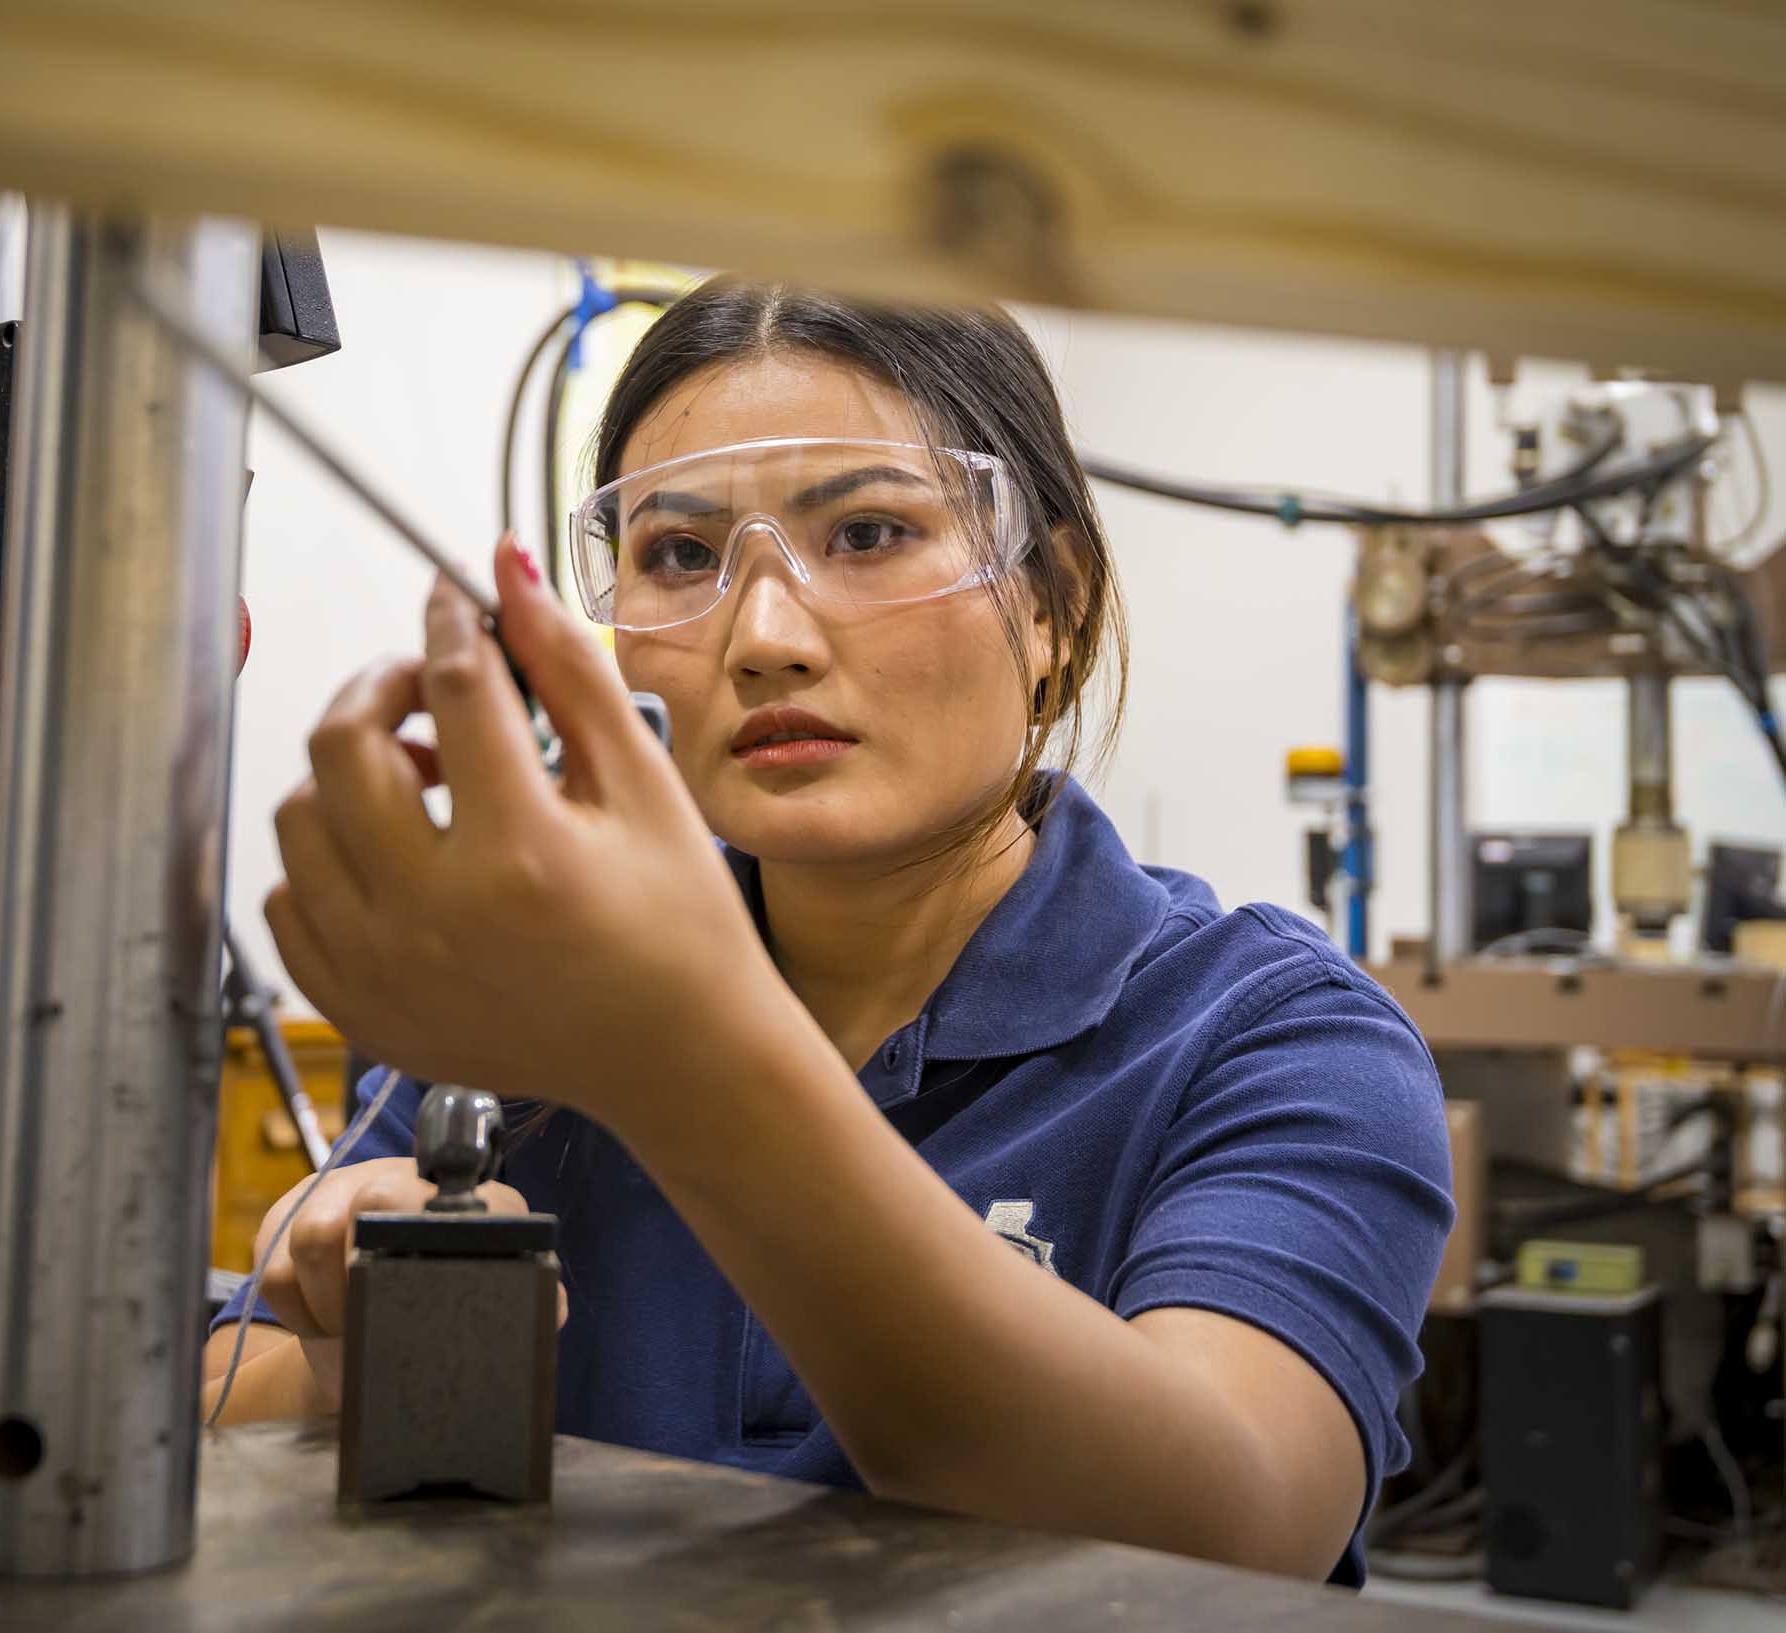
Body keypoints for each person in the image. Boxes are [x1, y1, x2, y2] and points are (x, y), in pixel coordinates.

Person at [206, 280, 1452, 1588]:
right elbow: (220, 1391)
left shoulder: (1269, 1039)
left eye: (866, 531)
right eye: (681, 556)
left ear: (1054, 606)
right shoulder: (539, 1011)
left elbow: (1232, 1529)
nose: (766, 637)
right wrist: (353, 1334)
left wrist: (677, 1061)